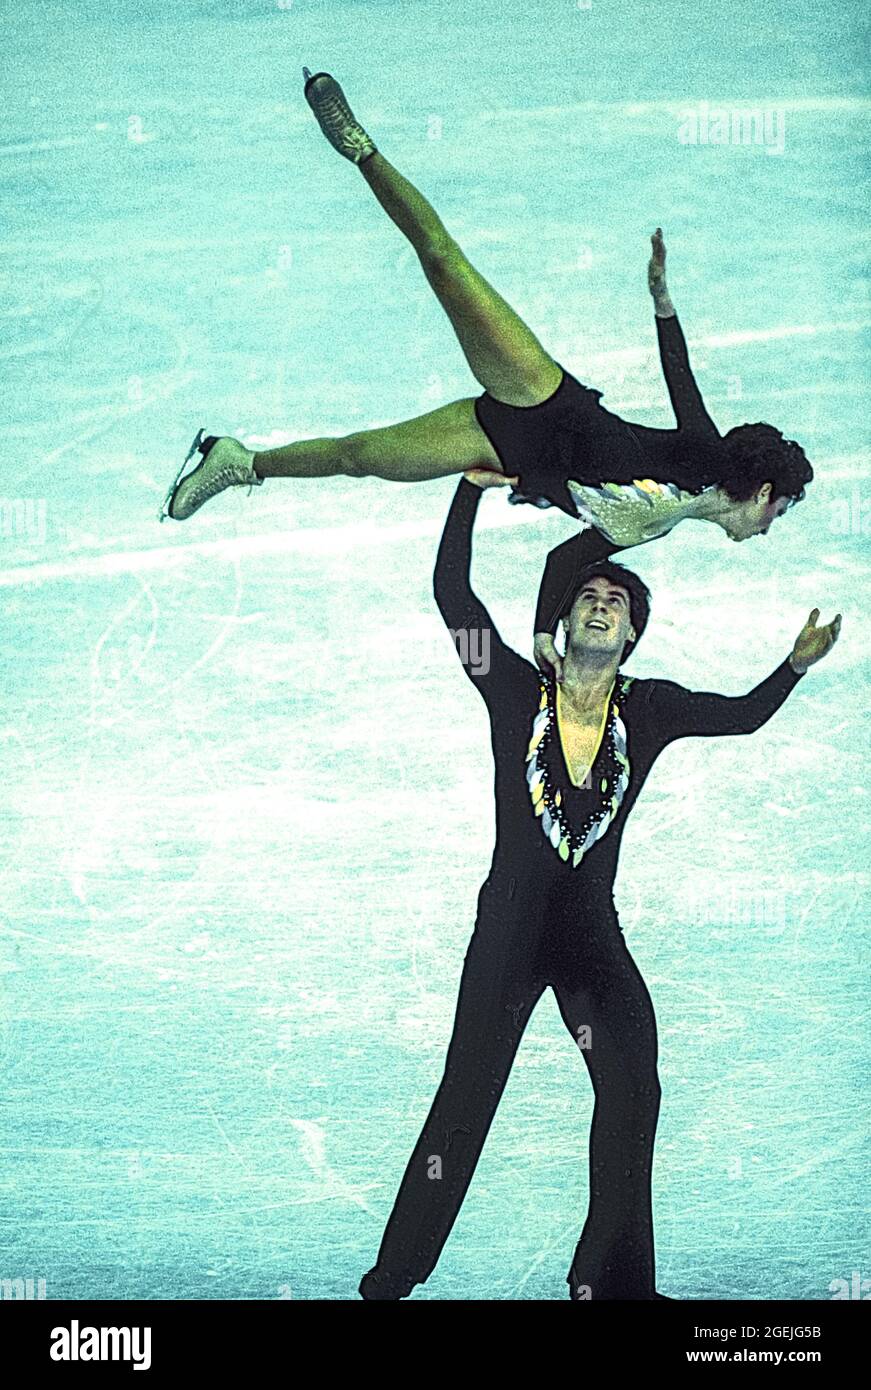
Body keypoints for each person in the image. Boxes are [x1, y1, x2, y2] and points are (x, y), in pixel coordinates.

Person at [357, 474, 840, 1300]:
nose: (601, 602)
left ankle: (614, 1284)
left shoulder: (648, 709)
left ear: (631, 636)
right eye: (588, 593)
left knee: (631, 1086)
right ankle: (393, 1277)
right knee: (466, 1095)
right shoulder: (509, 691)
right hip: (508, 932)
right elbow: (452, 592)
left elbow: (740, 716)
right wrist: (469, 490)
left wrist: (790, 668)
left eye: (617, 600)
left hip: (588, 938)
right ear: (563, 621)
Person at [159, 70, 812, 573]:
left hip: (499, 446)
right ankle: (361, 149)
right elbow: (681, 379)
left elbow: (566, 557)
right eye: (776, 512)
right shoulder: (701, 456)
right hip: (541, 396)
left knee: (360, 458)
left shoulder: (662, 523)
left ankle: (238, 461)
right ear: (759, 491)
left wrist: (539, 615)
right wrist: (661, 302)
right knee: (445, 265)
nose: (767, 526)